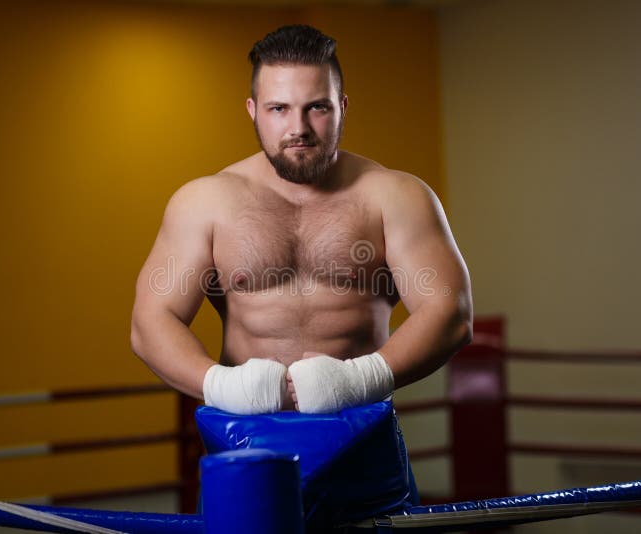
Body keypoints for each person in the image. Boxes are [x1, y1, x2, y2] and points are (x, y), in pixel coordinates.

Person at [130, 24, 472, 416]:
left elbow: (450, 313)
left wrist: (357, 380)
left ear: (342, 106)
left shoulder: (395, 198)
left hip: (358, 436)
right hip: (248, 439)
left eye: (317, 107)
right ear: (253, 110)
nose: (299, 128)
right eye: (279, 109)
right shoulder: (204, 203)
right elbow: (152, 321)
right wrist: (222, 385)